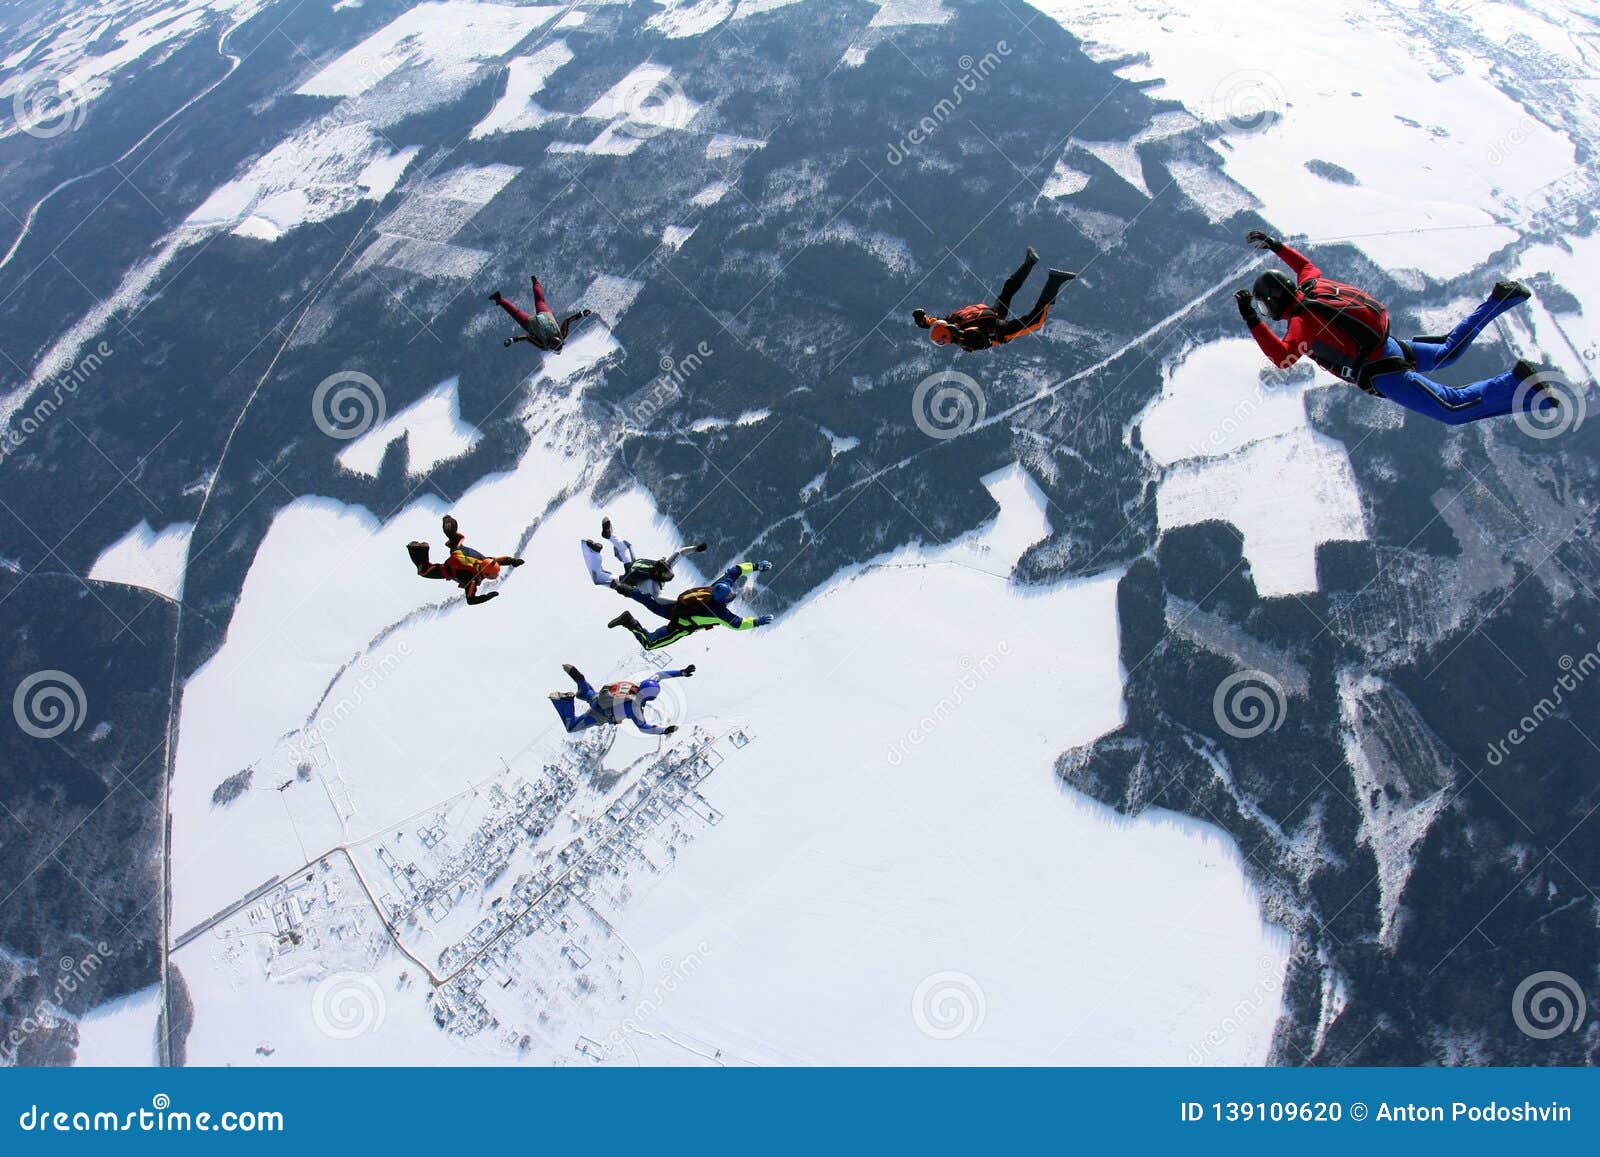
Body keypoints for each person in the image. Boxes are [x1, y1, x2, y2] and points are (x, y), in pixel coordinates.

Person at [1235, 229, 1558, 425]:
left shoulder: (1302, 322)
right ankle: (1501, 301)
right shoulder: (1312, 286)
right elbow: (1305, 265)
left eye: (1265, 307)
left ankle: (1520, 383)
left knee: (1453, 408)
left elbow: (1284, 358)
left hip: (1380, 372)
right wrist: (1276, 246)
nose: (1266, 312)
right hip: (1387, 346)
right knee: (1446, 353)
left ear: (1274, 301)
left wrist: (1251, 319)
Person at [912, 247, 1075, 351]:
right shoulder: (948, 321)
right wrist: (925, 322)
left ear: (946, 337)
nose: (943, 343)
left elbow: (978, 340)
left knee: (1035, 321)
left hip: (997, 330)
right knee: (1008, 291)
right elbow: (936, 324)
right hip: (990, 314)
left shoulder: (962, 339)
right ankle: (1029, 262)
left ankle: (1054, 280)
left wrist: (960, 334)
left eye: (941, 342)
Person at [608, 561, 775, 651]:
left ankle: (625, 590)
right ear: (722, 602)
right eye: (729, 597)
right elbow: (737, 624)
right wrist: (757, 622)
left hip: (677, 607)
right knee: (650, 644)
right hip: (680, 626)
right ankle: (630, 622)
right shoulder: (719, 612)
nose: (731, 596)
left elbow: (736, 570)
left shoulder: (716, 587)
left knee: (650, 603)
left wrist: (755, 566)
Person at [406, 514, 523, 606]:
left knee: (455, 539)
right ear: (486, 574)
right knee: (424, 571)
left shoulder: (486, 561)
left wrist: (513, 561)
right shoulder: (472, 580)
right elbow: (471, 600)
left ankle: (449, 524)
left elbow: (501, 560)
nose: (496, 575)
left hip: (459, 551)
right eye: (493, 575)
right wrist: (487, 597)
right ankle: (417, 549)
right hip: (449, 567)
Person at [549, 662, 694, 735]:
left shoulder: (638, 685)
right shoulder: (634, 707)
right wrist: (663, 731)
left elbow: (660, 675)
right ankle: (565, 701)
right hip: (599, 714)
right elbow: (643, 728)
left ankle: (582, 683)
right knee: (572, 727)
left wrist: (682, 672)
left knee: (589, 695)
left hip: (600, 697)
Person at [581, 515, 708, 596]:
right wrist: (679, 602)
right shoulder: (655, 586)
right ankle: (594, 551)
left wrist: (696, 548)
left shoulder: (665, 565)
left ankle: (610, 535)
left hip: (633, 566)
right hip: (626, 580)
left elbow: (680, 552)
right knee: (599, 578)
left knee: (626, 548)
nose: (669, 570)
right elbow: (660, 600)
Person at [489, 275, 592, 354]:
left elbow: (567, 320)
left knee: (539, 301)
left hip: (545, 314)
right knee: (516, 313)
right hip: (531, 323)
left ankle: (535, 282)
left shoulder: (562, 336)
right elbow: (527, 338)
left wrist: (582, 314)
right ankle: (499, 299)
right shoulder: (543, 345)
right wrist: (512, 340)